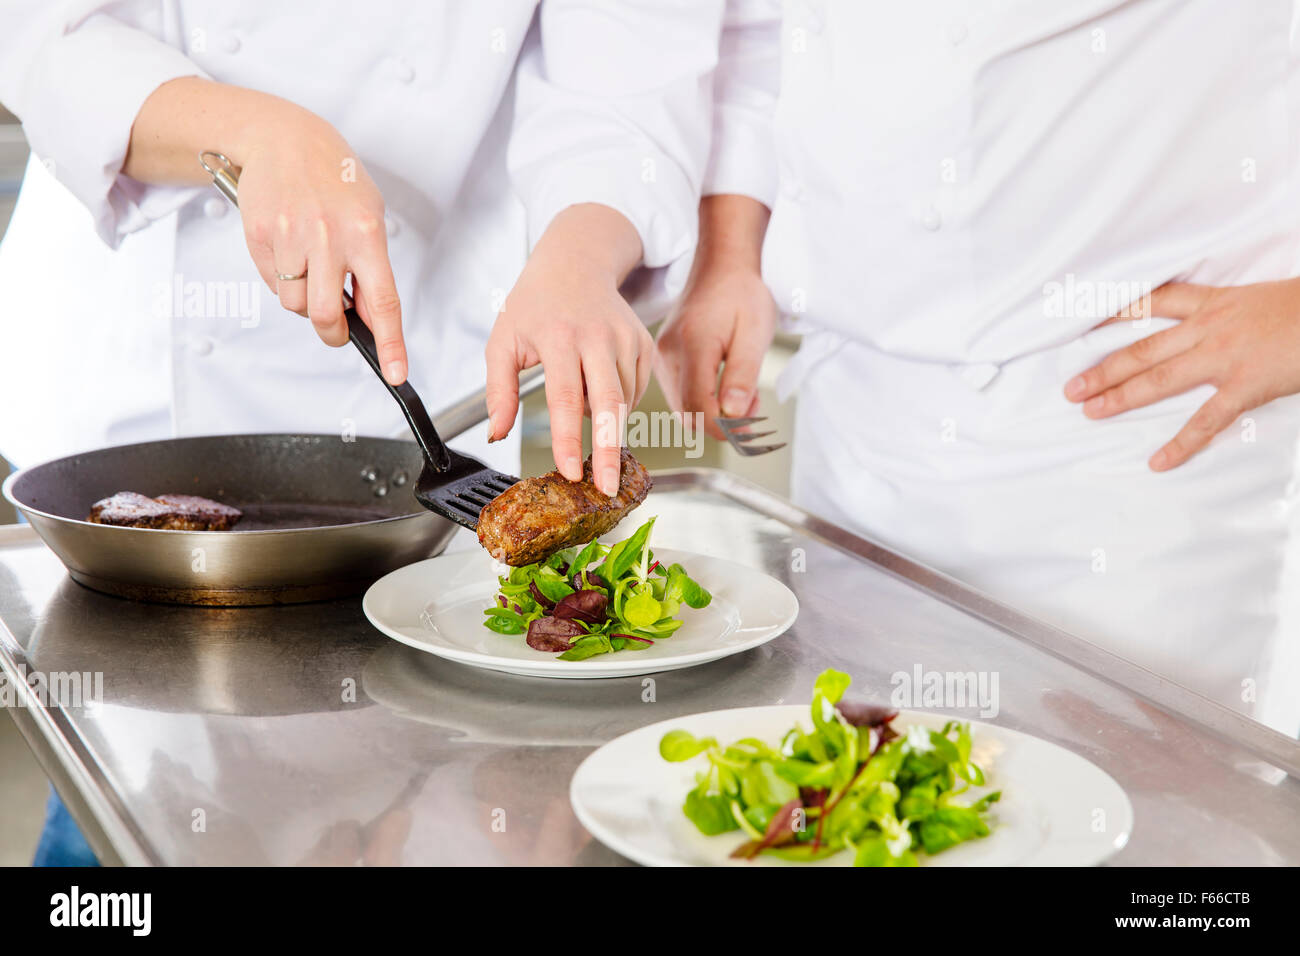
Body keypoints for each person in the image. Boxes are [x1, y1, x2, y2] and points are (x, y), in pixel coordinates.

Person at [0, 0, 722, 863]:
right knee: (124, 810)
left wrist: (579, 255)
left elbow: (630, 69)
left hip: (434, 369)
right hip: (134, 397)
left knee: (426, 780)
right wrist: (256, 130)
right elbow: (38, 30)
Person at [656, 0, 1300, 735]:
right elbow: (763, 29)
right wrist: (730, 249)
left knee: (1143, 815)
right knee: (859, 803)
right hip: (859, 432)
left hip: (1137, 452)